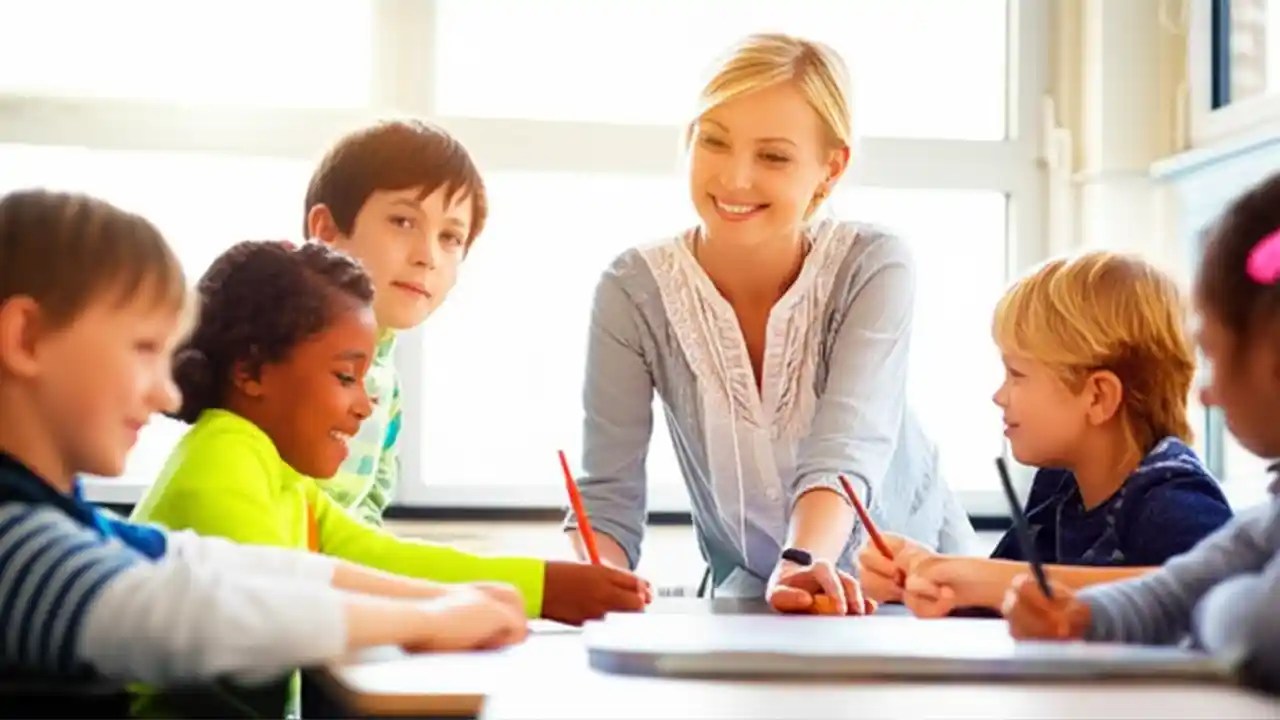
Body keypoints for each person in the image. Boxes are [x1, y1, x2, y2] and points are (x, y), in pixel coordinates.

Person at [0, 190, 527, 718]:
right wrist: (430, 620)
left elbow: (239, 567)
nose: (167, 395)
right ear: (26, 338)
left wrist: (438, 600)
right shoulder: (15, 544)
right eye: (143, 350)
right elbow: (201, 617)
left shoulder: (66, 522)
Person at [565, 33, 974, 613]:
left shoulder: (874, 265)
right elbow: (606, 495)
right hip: (760, 601)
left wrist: (802, 563)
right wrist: (595, 578)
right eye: (713, 141)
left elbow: (846, 448)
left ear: (831, 169)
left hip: (917, 595)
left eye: (774, 156)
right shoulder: (632, 290)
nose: (735, 178)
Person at [1002, 171, 1280, 692]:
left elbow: (1259, 627)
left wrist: (1213, 603)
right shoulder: (1269, 521)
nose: (1206, 394)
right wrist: (1082, 615)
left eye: (1215, 355)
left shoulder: (1173, 495)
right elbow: (1176, 589)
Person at [859, 251, 1232, 616]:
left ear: (1098, 396)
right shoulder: (1059, 488)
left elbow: (1214, 590)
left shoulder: (1172, 497)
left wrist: (990, 580)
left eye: (1017, 375)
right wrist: (922, 577)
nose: (999, 396)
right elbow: (997, 594)